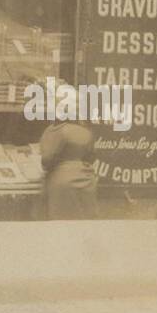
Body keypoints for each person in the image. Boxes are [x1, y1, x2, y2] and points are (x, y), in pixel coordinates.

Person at [39, 83, 99, 220]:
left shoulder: (55, 131)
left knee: (60, 230)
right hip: (86, 183)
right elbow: (91, 157)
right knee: (82, 229)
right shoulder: (86, 132)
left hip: (61, 186)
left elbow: (46, 161)